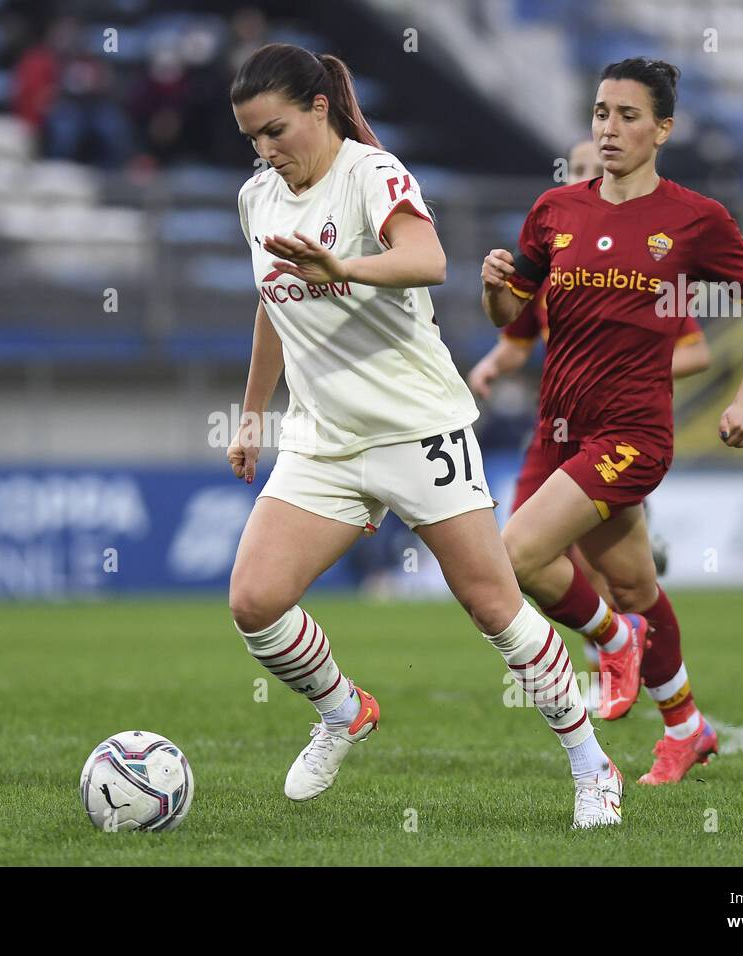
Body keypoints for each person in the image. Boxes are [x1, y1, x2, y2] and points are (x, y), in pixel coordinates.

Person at [228, 42, 624, 828]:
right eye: (252, 139)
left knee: (494, 608)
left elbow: (428, 258)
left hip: (416, 426)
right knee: (255, 601)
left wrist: (338, 266)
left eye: (277, 130)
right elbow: (273, 302)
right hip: (324, 438)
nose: (267, 152)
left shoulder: (371, 174)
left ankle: (592, 766)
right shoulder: (257, 199)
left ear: (317, 108)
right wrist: (252, 414)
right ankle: (344, 711)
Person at [481, 58, 743, 784]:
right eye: (601, 113)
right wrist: (494, 291)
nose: (609, 129)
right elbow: (514, 315)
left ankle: (614, 643)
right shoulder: (555, 210)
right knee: (640, 588)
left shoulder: (695, 218)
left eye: (628, 116)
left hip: (632, 437)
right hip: (561, 431)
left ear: (663, 129)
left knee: (516, 555)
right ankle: (687, 728)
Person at [468, 139, 710, 700]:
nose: (581, 180)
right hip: (554, 427)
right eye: (573, 171)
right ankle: (615, 651)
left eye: (590, 171)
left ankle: (619, 665)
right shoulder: (551, 264)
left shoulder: (645, 269)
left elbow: (698, 351)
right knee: (528, 557)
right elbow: (515, 337)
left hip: (618, 426)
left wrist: (636, 367)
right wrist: (487, 368)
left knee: (588, 565)